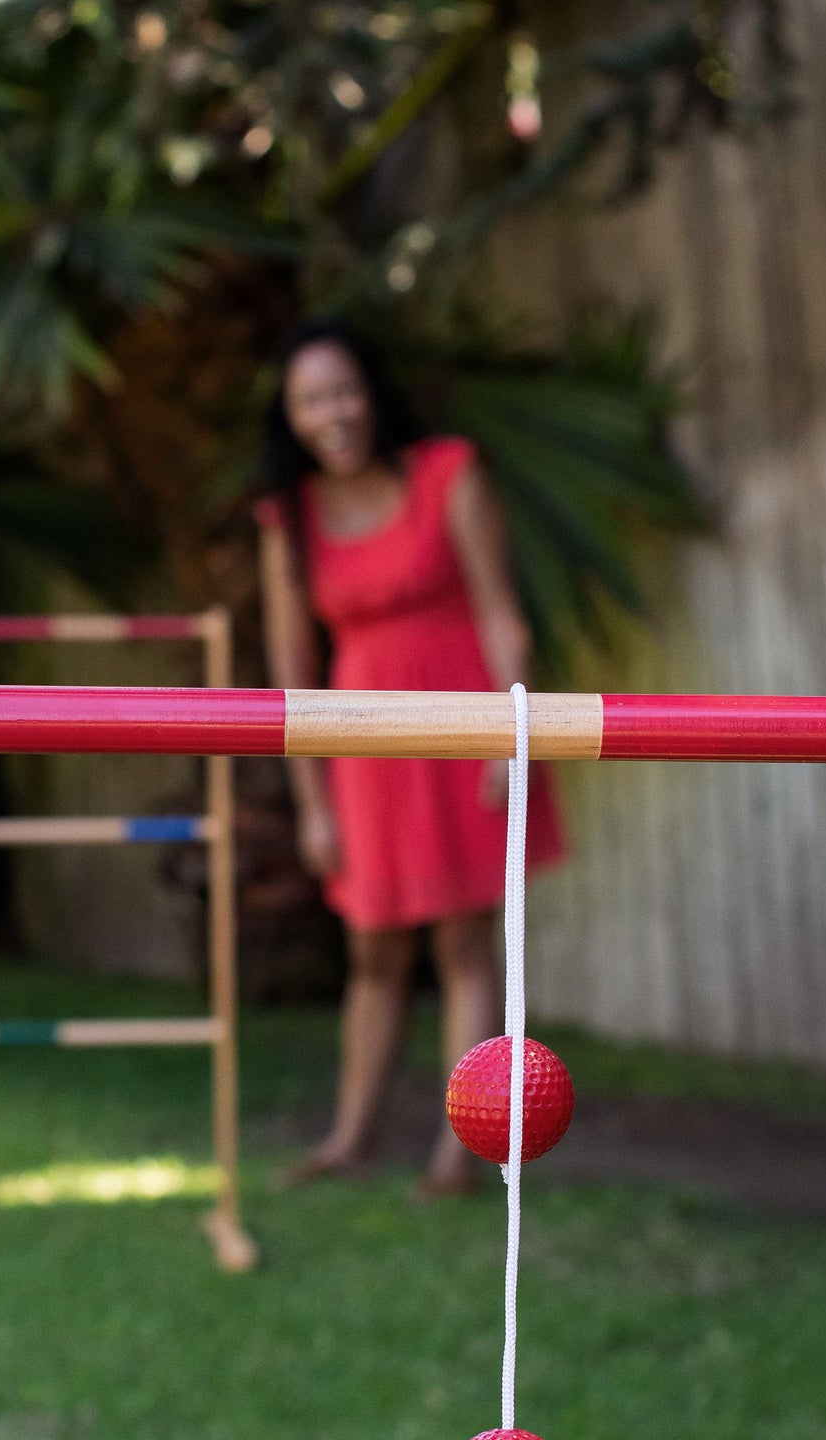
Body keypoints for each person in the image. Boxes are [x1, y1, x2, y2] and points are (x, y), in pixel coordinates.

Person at [256, 318, 567, 1198]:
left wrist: (513, 737)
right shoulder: (287, 520)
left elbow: (503, 614)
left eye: (344, 390)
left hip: (466, 729)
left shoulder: (448, 473)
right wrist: (311, 801)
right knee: (374, 950)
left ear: (373, 392)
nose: (334, 413)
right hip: (364, 747)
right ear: (291, 416)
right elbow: (292, 671)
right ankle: (350, 1137)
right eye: (311, 399)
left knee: (466, 945)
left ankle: (458, 1153)